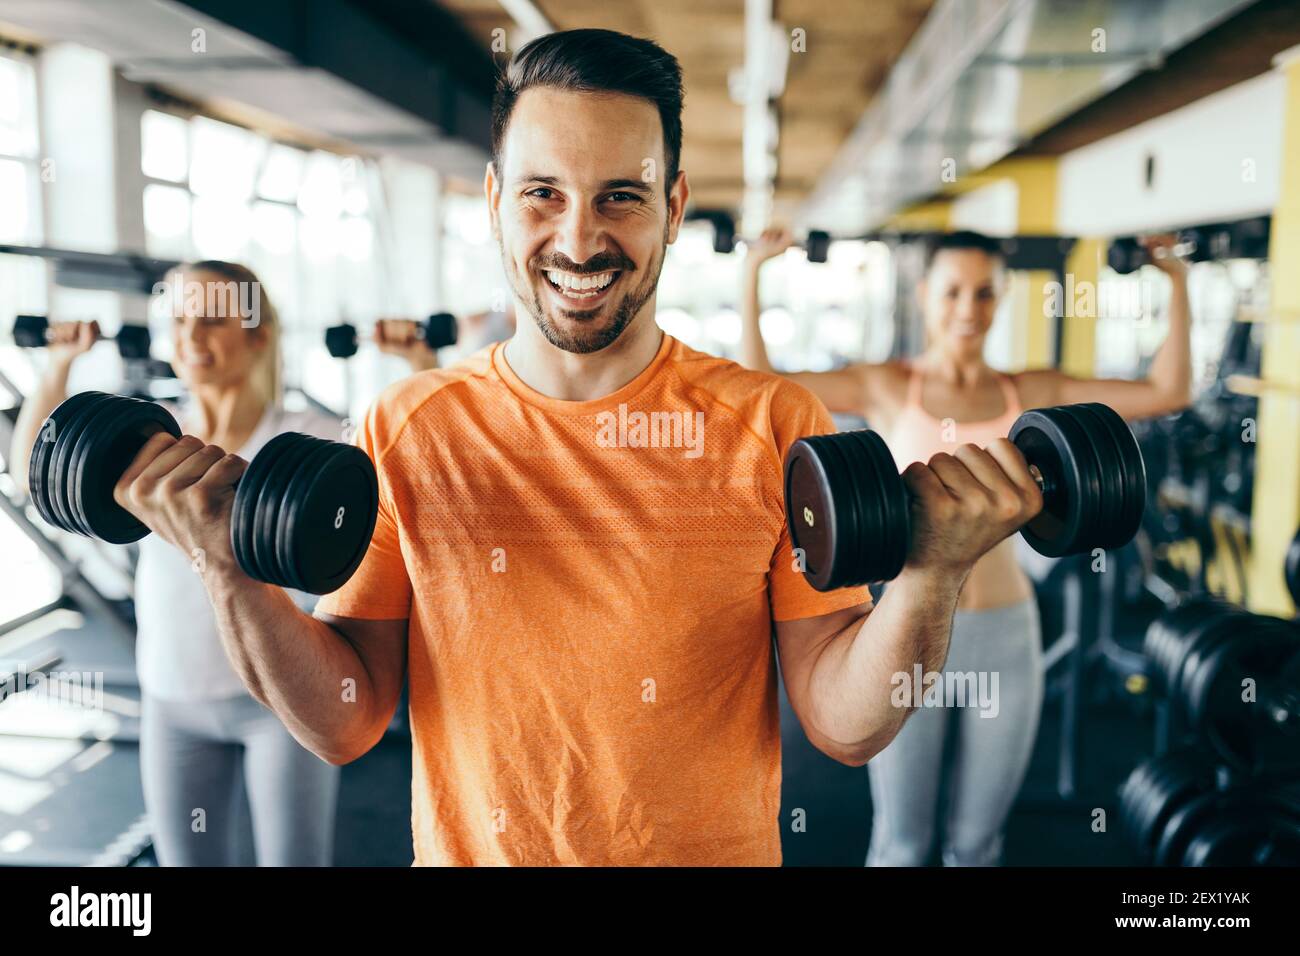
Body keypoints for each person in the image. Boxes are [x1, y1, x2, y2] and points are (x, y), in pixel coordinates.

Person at [104, 29, 1051, 867]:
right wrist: (230, 573)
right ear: (494, 200)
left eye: (622, 198)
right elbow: (347, 720)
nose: (580, 238)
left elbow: (844, 726)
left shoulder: (773, 422)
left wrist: (932, 577)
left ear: (674, 206)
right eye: (543, 194)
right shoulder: (407, 427)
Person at [739, 226, 1193, 865]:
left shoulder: (1026, 393)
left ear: (1000, 299)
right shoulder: (888, 385)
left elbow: (1167, 394)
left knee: (977, 845)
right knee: (902, 842)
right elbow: (760, 384)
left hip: (1006, 634)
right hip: (904, 633)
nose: (968, 309)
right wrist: (754, 272)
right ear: (925, 296)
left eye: (984, 293)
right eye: (952, 291)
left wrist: (1176, 281)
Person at [10, 261, 347, 866]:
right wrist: (59, 365)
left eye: (214, 319)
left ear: (258, 334)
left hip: (280, 703)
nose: (192, 337)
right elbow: (36, 472)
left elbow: (395, 490)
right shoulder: (144, 443)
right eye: (182, 319)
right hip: (170, 698)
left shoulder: (309, 437)